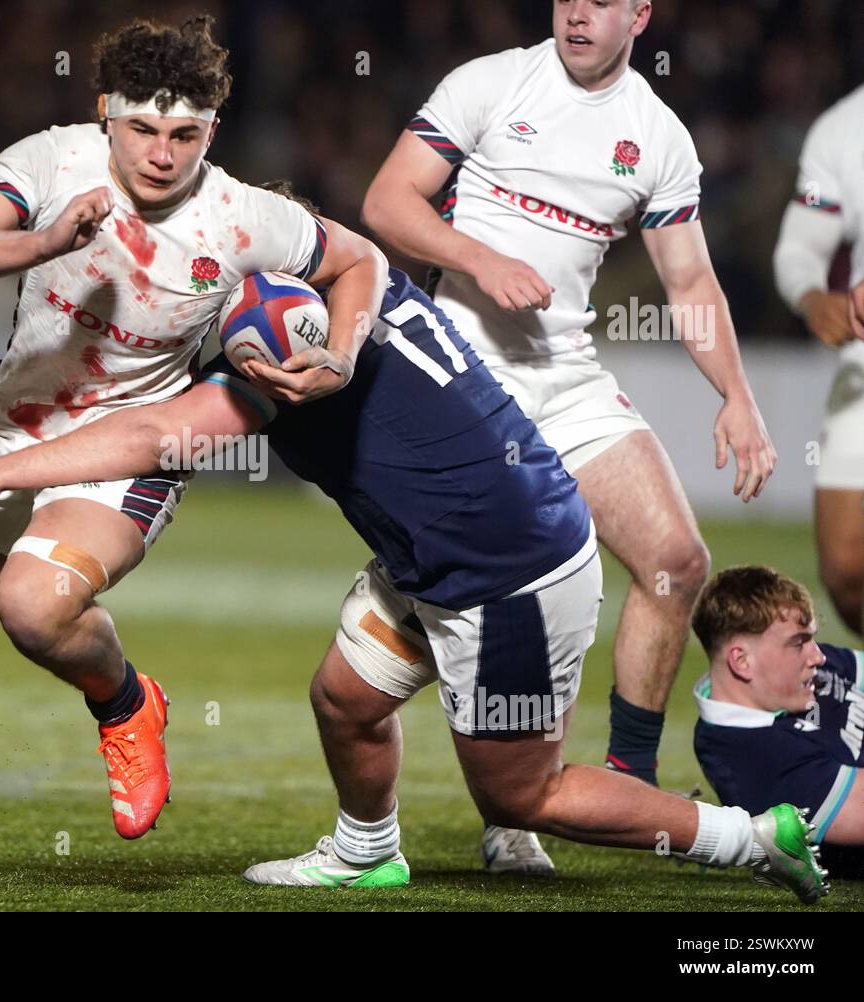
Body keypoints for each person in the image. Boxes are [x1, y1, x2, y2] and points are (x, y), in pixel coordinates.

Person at [0, 267, 827, 904]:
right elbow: (360, 246)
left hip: (505, 576)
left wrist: (0, 471)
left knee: (521, 796)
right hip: (446, 552)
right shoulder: (347, 281)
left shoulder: (268, 361)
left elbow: (151, 439)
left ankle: (750, 839)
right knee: (344, 699)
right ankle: (367, 852)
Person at [0, 16, 387, 883]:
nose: (162, 154)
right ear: (106, 114)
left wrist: (343, 357)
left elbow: (361, 261)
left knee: (34, 605)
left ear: (212, 131)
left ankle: (127, 705)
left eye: (185, 135)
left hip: (130, 446)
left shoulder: (244, 218)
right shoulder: (52, 164)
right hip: (7, 429)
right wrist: (44, 241)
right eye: (142, 129)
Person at [359, 0, 777, 872]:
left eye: (600, 1)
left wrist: (736, 395)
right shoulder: (492, 83)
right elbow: (387, 202)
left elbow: (692, 279)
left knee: (676, 561)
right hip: (466, 380)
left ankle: (627, 781)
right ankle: (505, 811)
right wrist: (479, 259)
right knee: (500, 599)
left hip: (567, 378)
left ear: (640, 16)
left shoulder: (656, 137)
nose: (578, 13)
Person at [692, 566, 863, 879]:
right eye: (799, 643)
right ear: (742, 661)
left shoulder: (789, 681)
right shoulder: (754, 759)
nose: (818, 656)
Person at [773, 84, 864, 639]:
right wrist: (813, 297)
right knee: (847, 568)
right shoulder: (843, 126)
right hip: (862, 371)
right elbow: (798, 249)